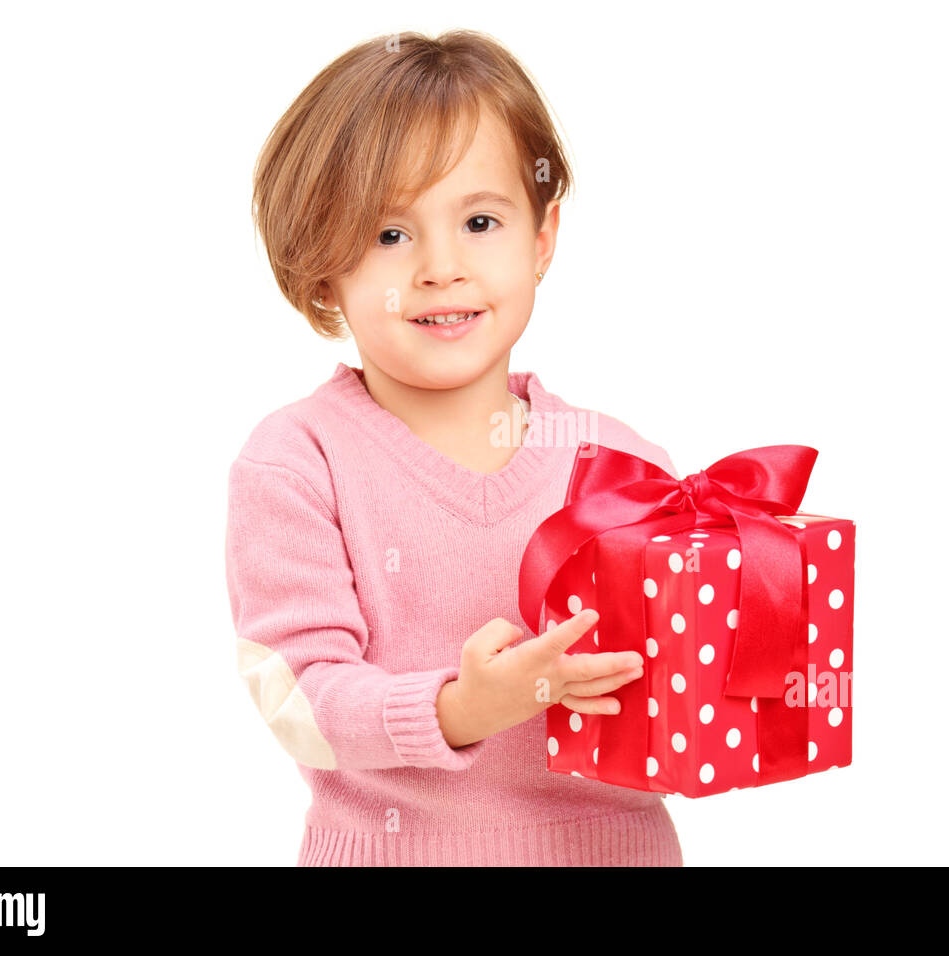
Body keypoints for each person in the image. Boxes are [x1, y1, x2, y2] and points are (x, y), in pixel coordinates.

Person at [226, 28, 683, 865]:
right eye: (389, 234)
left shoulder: (623, 464)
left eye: (480, 220)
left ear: (542, 239)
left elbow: (680, 682)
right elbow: (296, 697)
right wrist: (459, 708)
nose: (441, 267)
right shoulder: (298, 461)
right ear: (324, 269)